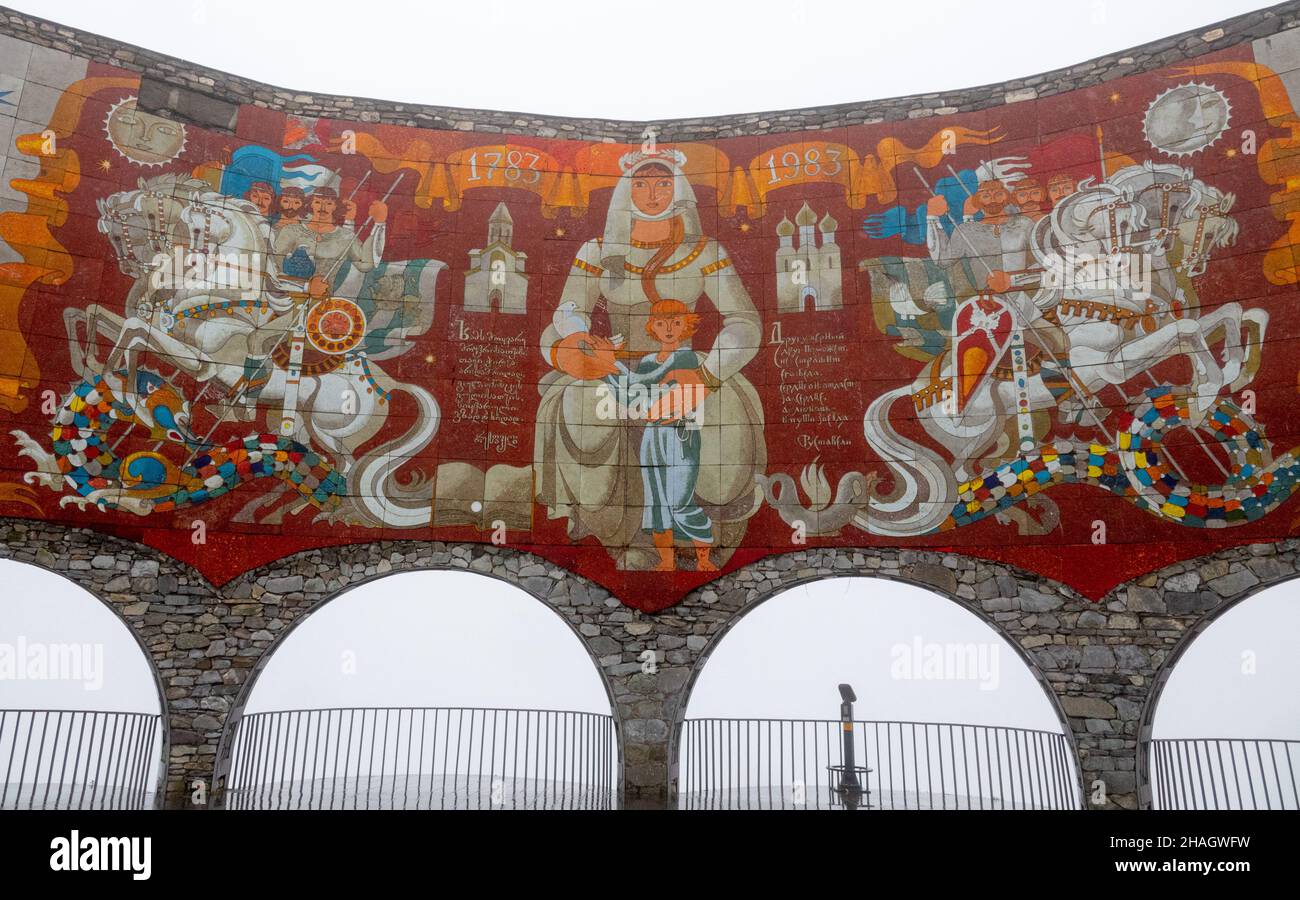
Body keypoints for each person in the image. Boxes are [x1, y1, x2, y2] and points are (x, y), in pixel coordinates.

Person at [535, 149, 765, 570]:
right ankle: (611, 523)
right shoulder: (598, 249)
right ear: (627, 191)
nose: (652, 193)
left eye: (662, 183)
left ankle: (706, 521)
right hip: (616, 364)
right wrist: (567, 350)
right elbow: (564, 317)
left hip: (684, 364)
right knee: (580, 401)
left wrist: (708, 373)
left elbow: (744, 322)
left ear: (679, 189)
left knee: (716, 412)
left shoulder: (704, 250)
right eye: (641, 183)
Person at [602, 299, 716, 572]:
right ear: (652, 326)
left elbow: (649, 381)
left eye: (676, 323)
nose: (668, 329)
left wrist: (611, 364)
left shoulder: (687, 357)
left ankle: (704, 561)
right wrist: (608, 365)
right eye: (662, 323)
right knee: (656, 503)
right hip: (653, 435)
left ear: (686, 326)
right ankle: (666, 561)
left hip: (680, 435)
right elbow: (632, 394)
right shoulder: (647, 361)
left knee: (679, 502)